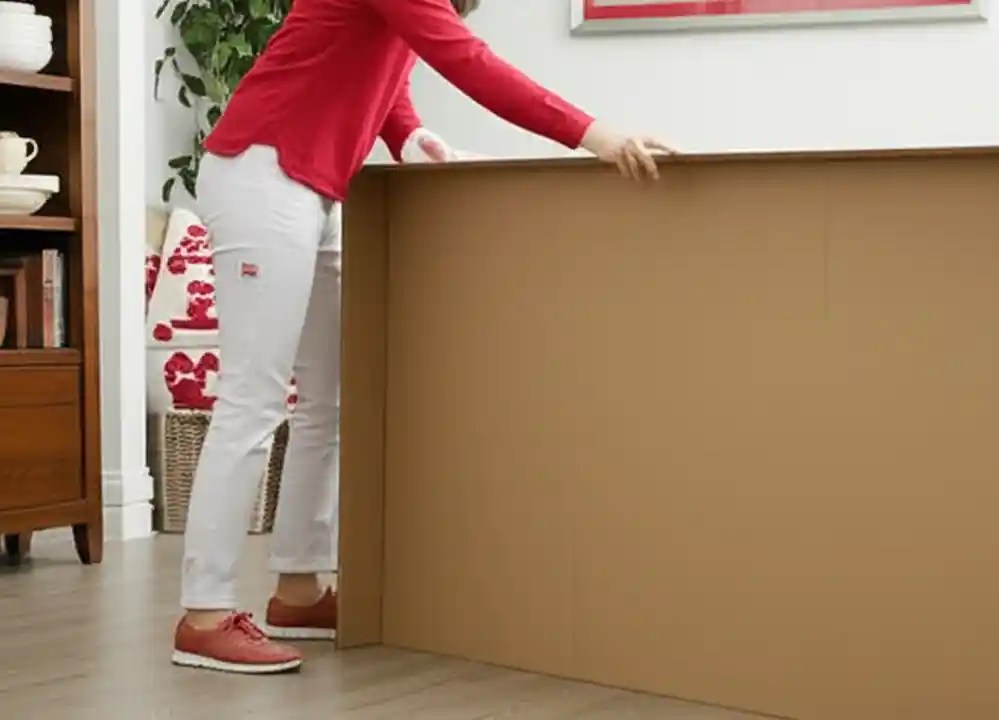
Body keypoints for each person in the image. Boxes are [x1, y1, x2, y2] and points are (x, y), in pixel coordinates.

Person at [171, 0, 674, 675]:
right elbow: (467, 62)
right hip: (265, 172)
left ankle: (299, 588)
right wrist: (591, 132)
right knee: (253, 401)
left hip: (313, 185)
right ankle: (203, 616)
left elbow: (383, 74)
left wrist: (410, 137)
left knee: (329, 400)